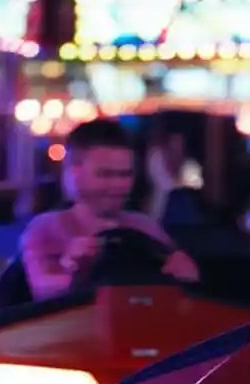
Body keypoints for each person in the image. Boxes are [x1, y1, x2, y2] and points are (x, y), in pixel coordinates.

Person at [21, 119, 199, 301]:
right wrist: (74, 271)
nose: (118, 185)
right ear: (75, 174)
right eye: (105, 174)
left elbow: (182, 285)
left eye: (125, 174)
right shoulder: (46, 228)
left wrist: (186, 276)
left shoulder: (145, 227)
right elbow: (42, 288)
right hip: (75, 326)